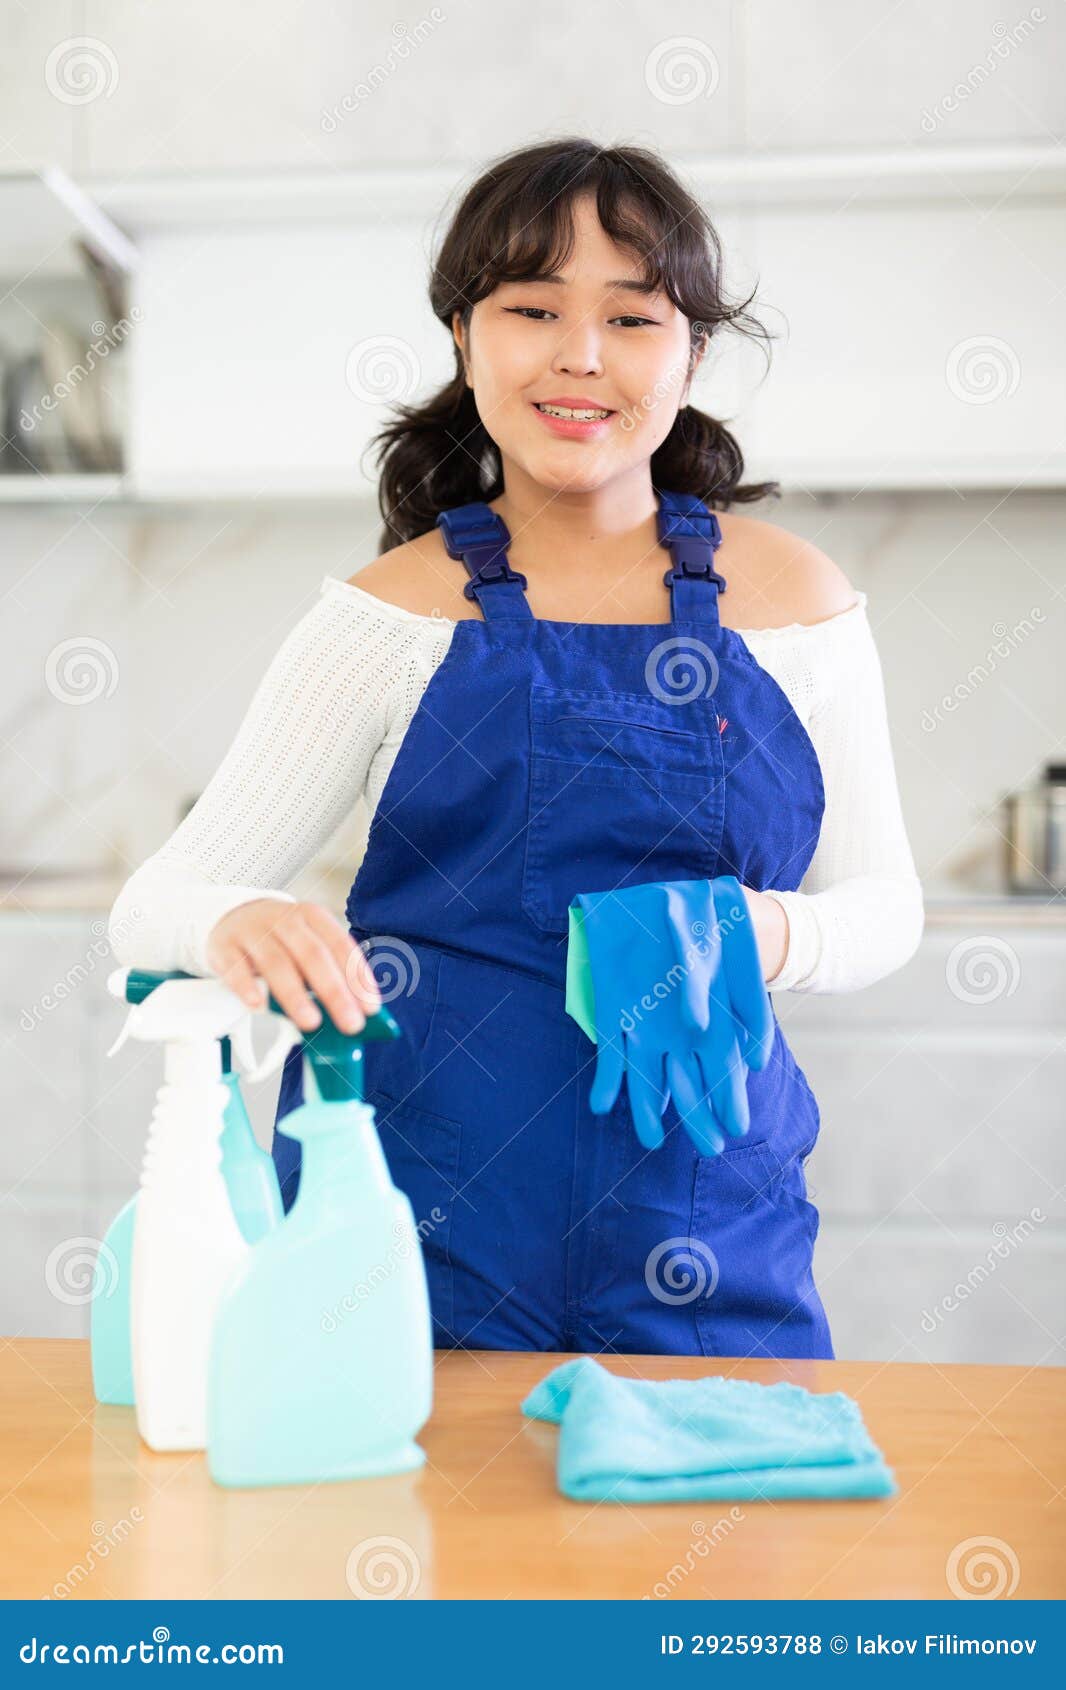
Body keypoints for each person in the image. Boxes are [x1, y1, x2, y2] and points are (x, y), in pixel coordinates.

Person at [109, 138, 923, 1360]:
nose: (578, 355)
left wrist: (753, 931)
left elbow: (886, 906)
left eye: (632, 318)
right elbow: (152, 903)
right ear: (463, 338)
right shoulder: (389, 616)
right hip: (407, 1236)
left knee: (728, 1546)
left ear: (692, 354)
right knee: (414, 1545)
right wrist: (233, 922)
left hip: (704, 1229)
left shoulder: (792, 602)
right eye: (531, 308)